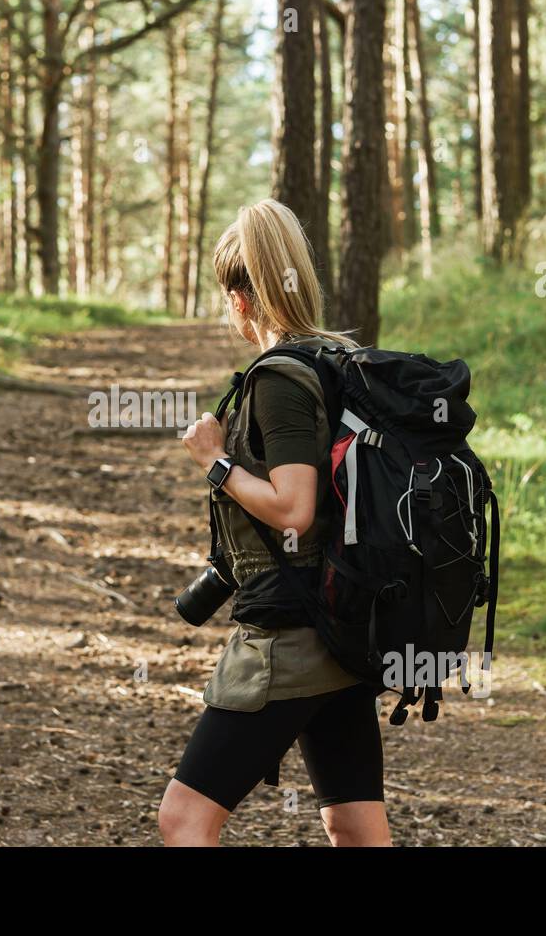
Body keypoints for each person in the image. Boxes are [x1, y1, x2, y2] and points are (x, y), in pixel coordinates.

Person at [158, 199, 391, 847]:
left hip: (290, 637)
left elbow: (294, 507)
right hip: (344, 630)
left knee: (182, 821)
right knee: (355, 827)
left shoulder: (280, 379)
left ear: (239, 300)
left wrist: (215, 460)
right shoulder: (335, 359)